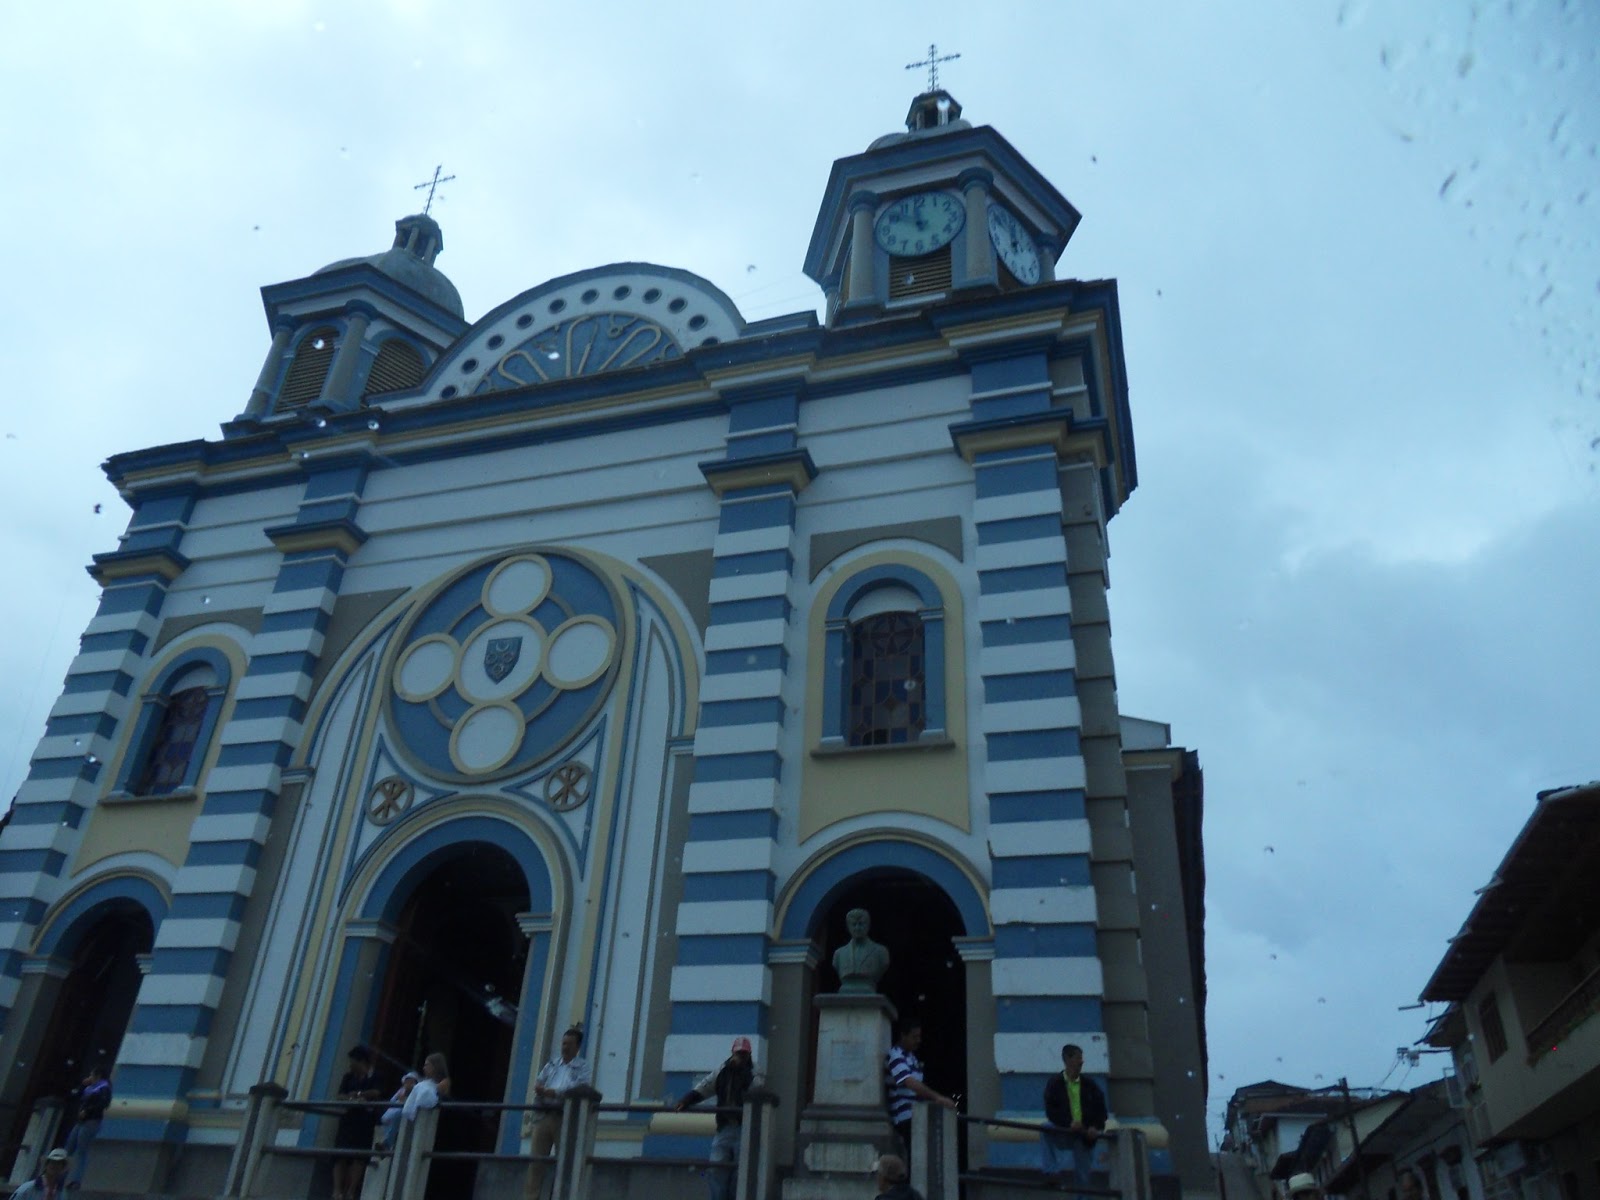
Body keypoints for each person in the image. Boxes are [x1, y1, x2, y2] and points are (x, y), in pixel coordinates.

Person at [675, 1035, 762, 1200]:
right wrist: (686, 1100)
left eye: (743, 1054)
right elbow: (705, 1087)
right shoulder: (722, 1071)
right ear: (732, 1053)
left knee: (739, 1173)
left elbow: (757, 1093)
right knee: (716, 1168)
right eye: (739, 1053)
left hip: (745, 1128)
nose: (741, 1057)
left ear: (749, 1055)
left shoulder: (754, 1073)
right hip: (725, 1127)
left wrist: (743, 1073)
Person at [525, 1027, 592, 1200]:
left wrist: (554, 1092)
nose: (565, 1047)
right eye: (563, 1043)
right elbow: (539, 1081)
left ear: (577, 1047)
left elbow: (579, 1089)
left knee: (563, 1163)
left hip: (565, 1117)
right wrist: (541, 1090)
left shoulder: (582, 1067)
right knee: (536, 1162)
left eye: (569, 1044)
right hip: (544, 1115)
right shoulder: (553, 1064)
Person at [884, 1019, 956, 1162]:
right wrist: (938, 1098)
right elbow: (909, 1082)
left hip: (916, 1115)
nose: (918, 1041)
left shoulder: (912, 1058)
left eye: (919, 1036)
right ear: (903, 1036)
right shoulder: (895, 1055)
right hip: (904, 1118)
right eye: (914, 1037)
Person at [1041, 1043, 1107, 1195]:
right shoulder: (1055, 1083)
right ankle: (1051, 1172)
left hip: (1084, 1135)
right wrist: (1068, 1123)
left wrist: (1095, 1128)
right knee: (1045, 1128)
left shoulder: (1090, 1085)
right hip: (1066, 1130)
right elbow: (1051, 1110)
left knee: (1083, 1179)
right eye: (1078, 1058)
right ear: (1067, 1059)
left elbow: (1101, 1111)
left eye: (1081, 1058)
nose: (1081, 1062)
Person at [332, 1045, 383, 1200]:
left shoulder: (376, 1076)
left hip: (365, 1121)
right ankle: (337, 1191)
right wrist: (349, 1097)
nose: (350, 1064)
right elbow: (340, 1095)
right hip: (348, 1119)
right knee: (340, 1155)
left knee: (359, 1157)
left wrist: (361, 1094)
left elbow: (377, 1092)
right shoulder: (348, 1077)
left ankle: (351, 1191)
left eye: (352, 1061)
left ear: (361, 1061)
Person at [64, 1063, 111, 1190]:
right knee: (69, 1148)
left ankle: (76, 1180)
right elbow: (78, 1097)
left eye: (92, 1075)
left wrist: (88, 1111)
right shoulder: (90, 1088)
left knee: (81, 1150)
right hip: (81, 1121)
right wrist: (82, 1085)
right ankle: (60, 1177)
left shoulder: (104, 1088)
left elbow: (103, 1104)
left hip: (92, 1121)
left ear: (98, 1075)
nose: (89, 1077)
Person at [832, 908, 890, 994]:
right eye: (854, 924)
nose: (857, 928)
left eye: (861, 924)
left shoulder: (880, 952)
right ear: (848, 927)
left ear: (868, 926)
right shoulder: (839, 954)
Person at [402, 1052, 450, 1120]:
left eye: (427, 1065)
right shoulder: (425, 1081)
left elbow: (433, 1094)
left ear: (435, 1066)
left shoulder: (444, 1082)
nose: (424, 1068)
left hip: (435, 1118)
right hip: (422, 1117)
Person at [379, 1071, 419, 1146]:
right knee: (385, 1119)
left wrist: (405, 1099)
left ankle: (387, 1144)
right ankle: (387, 1142)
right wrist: (398, 1097)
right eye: (407, 1081)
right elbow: (392, 1101)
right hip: (393, 1110)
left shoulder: (416, 1092)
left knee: (395, 1118)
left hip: (402, 1113)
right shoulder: (401, 1090)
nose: (408, 1083)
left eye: (411, 1081)